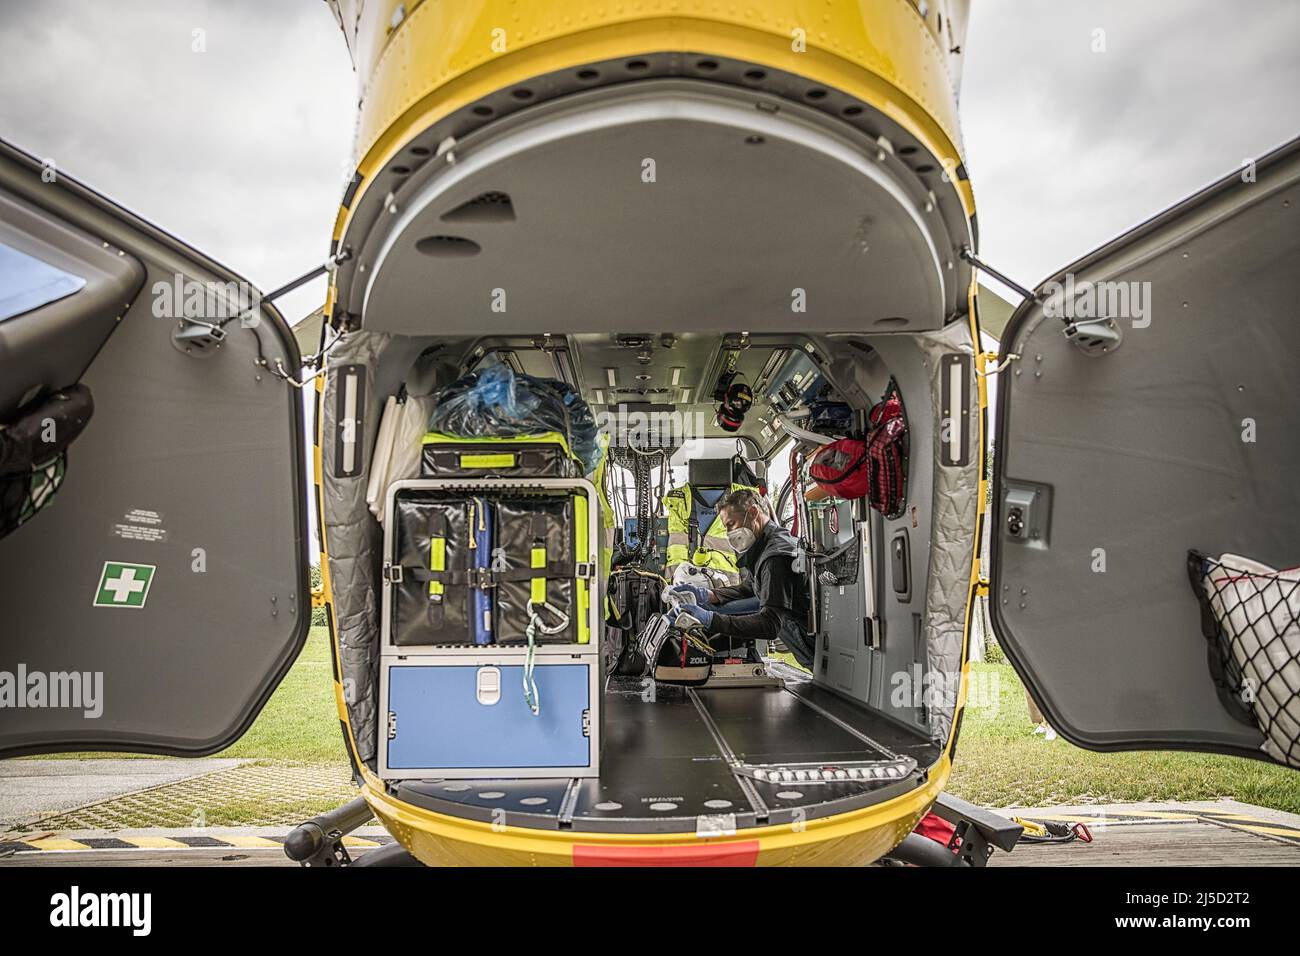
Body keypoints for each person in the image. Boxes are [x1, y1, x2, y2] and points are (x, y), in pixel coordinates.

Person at [667, 487, 815, 669]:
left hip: (812, 651)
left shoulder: (775, 557)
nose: (729, 535)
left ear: (753, 513)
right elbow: (752, 586)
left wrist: (709, 619)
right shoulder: (768, 545)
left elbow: (769, 625)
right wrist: (708, 595)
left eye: (731, 524)